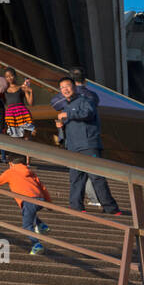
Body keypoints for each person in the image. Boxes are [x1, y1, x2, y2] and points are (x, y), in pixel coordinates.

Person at [55, 77, 123, 216]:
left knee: (96, 177)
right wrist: (61, 127)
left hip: (88, 144)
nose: (65, 89)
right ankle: (76, 207)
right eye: (62, 87)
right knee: (75, 178)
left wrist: (69, 114)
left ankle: (110, 208)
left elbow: (88, 113)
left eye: (67, 86)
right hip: (73, 147)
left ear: (74, 87)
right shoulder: (66, 106)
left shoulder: (85, 100)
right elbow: (69, 127)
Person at [0, 153, 52, 255]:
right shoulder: (31, 173)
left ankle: (36, 244)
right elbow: (43, 188)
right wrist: (49, 203)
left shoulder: (11, 172)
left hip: (28, 200)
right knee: (28, 213)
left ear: (11, 164)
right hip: (40, 199)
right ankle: (41, 225)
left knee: (27, 225)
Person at [0, 68, 35, 139]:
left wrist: (30, 92)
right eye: (7, 76)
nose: (9, 78)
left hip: (22, 113)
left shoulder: (21, 87)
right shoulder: (4, 90)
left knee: (26, 136)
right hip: (11, 115)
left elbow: (30, 103)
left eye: (11, 75)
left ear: (15, 76)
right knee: (15, 137)